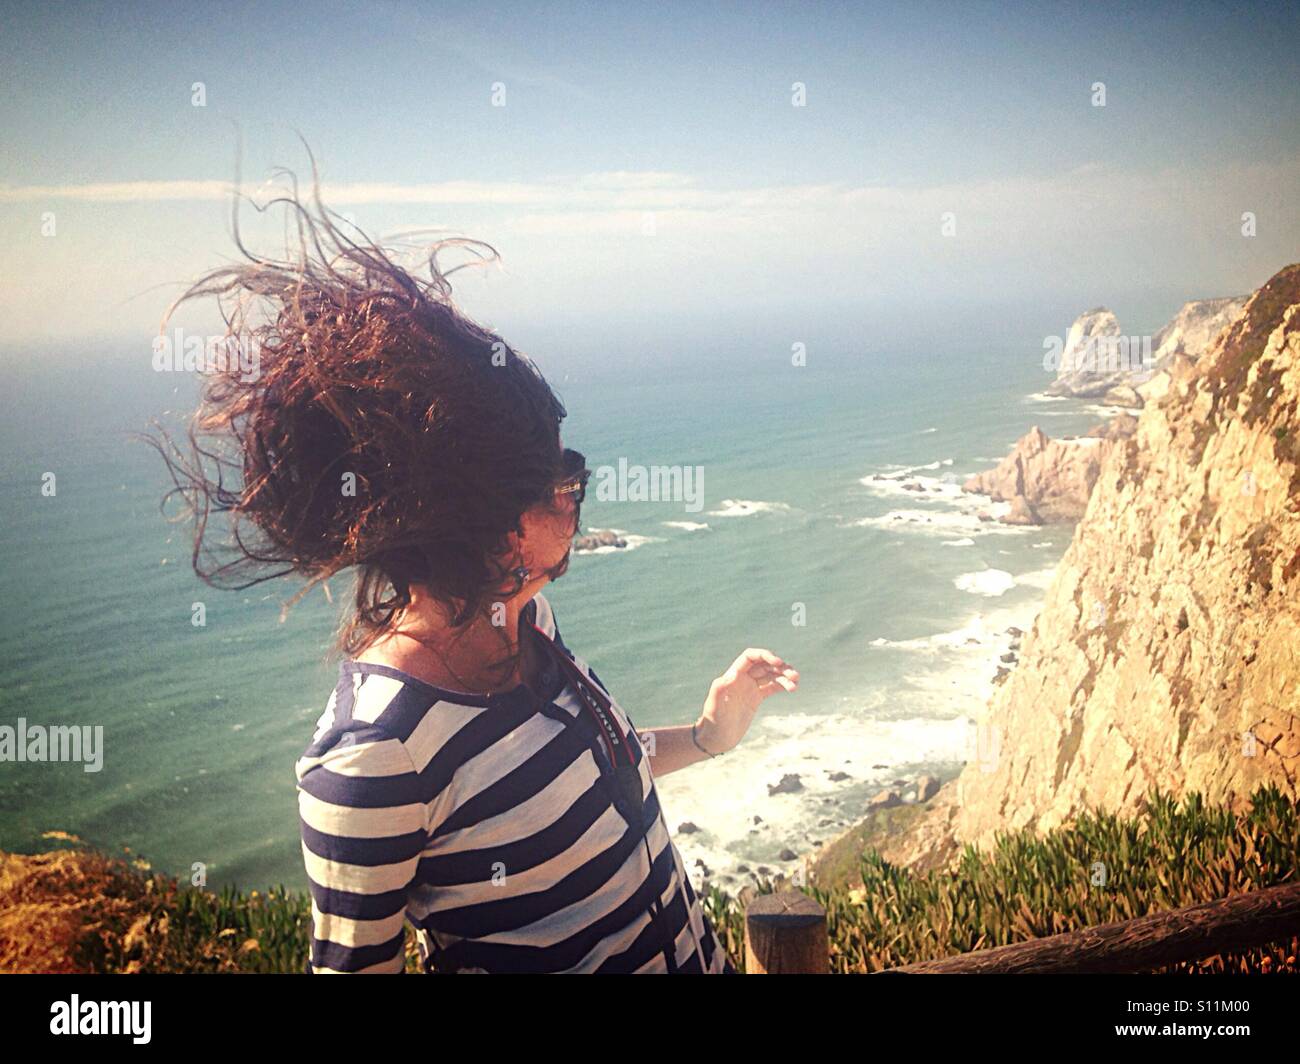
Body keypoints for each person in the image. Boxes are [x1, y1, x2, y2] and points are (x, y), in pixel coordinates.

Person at [151, 181, 799, 973]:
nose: (576, 494)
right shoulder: (376, 758)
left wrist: (706, 737)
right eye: (557, 484)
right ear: (486, 535)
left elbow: (575, 783)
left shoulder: (526, 626)